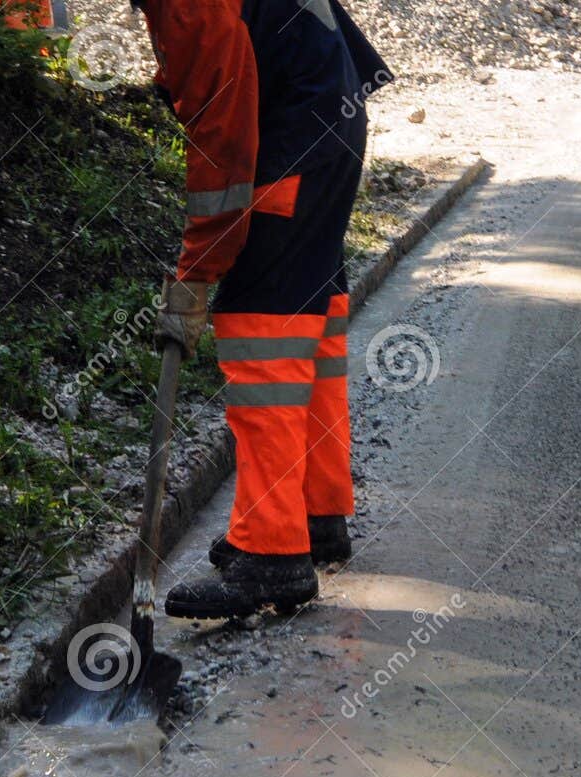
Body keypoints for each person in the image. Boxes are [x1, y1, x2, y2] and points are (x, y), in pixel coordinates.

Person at [133, 0, 392, 620]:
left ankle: (272, 554)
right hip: (330, 118)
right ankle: (314, 514)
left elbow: (224, 139)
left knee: (261, 328)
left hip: (295, 135)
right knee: (311, 320)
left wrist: (197, 273)